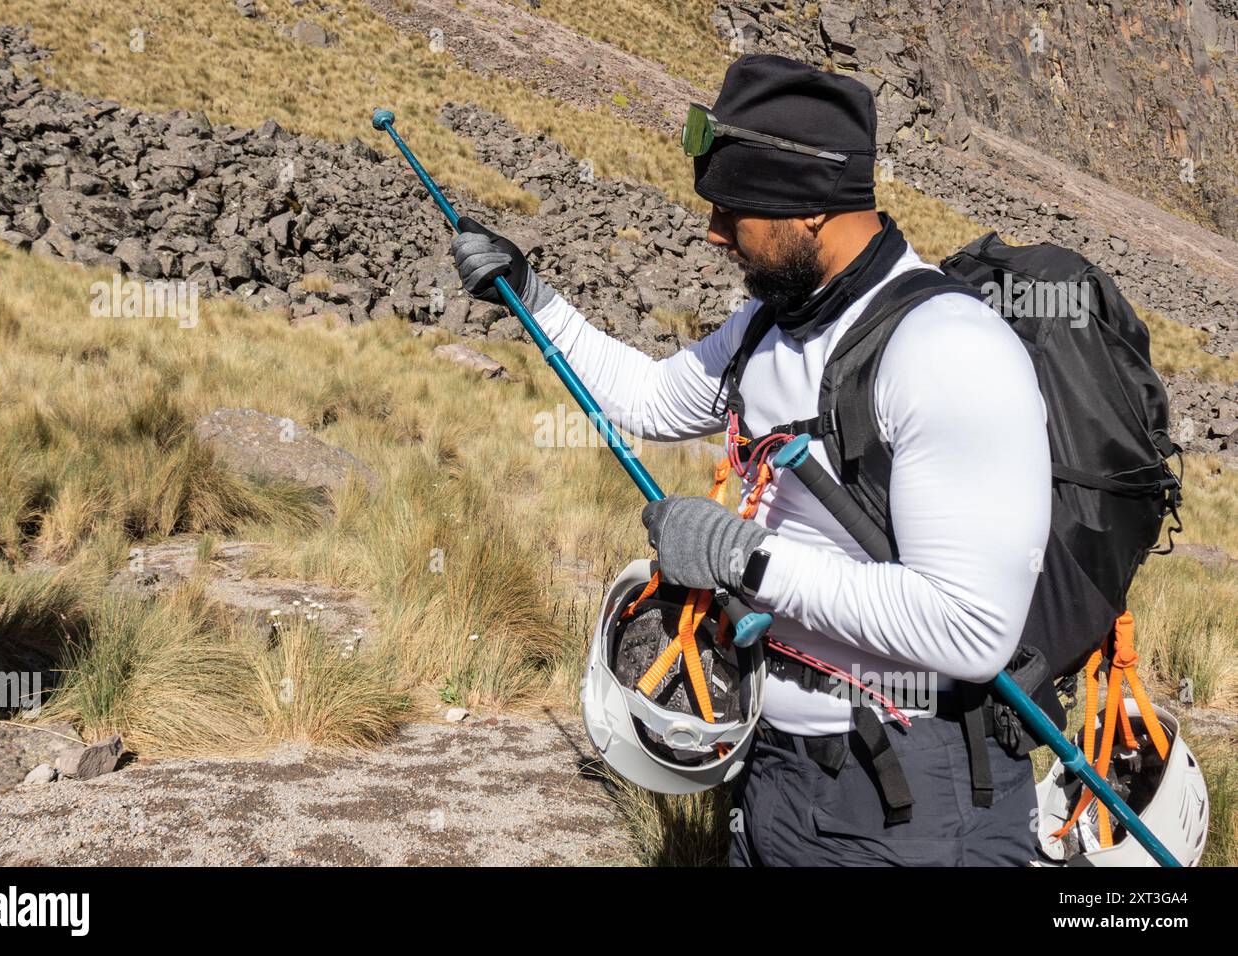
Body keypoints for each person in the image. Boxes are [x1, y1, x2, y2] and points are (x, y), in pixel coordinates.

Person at [450, 54, 1051, 867]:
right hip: (775, 768)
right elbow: (650, 401)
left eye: (737, 209)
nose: (714, 230)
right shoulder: (771, 324)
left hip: (917, 796)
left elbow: (969, 628)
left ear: (812, 209)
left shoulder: (948, 351)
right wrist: (532, 295)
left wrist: (745, 559)